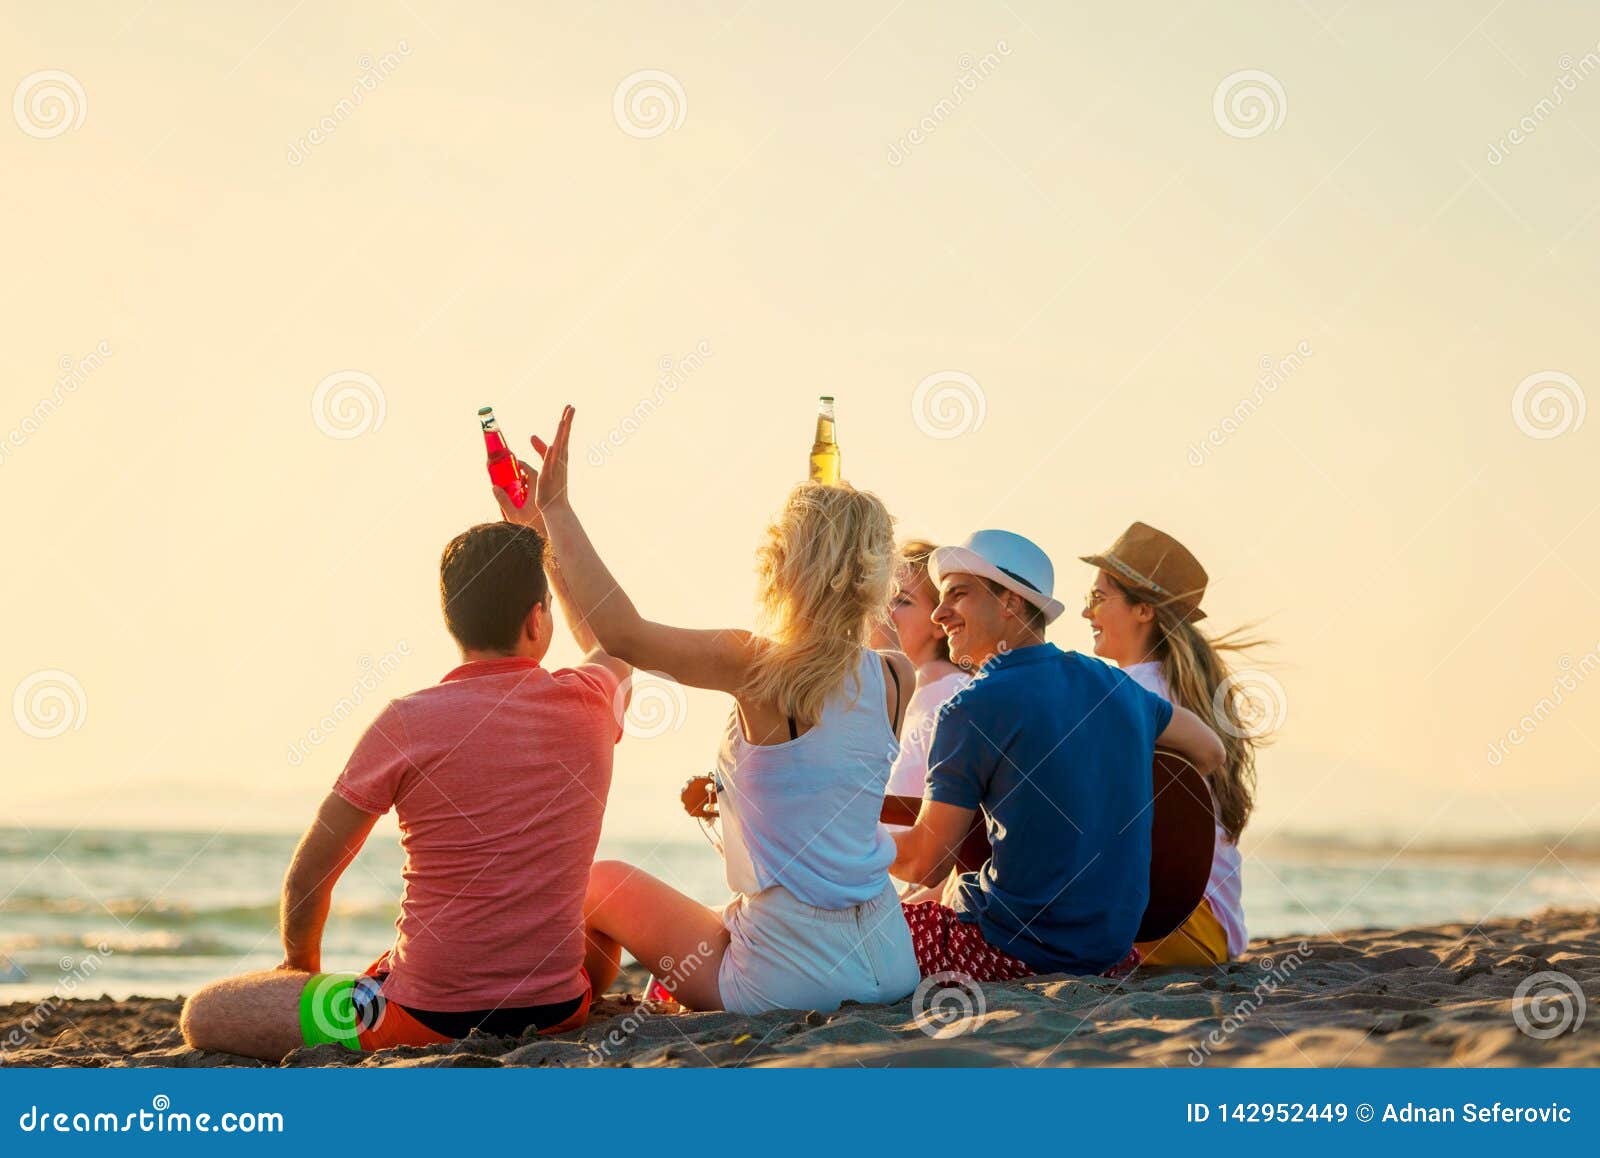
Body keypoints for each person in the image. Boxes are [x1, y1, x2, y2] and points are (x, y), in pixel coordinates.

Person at [180, 517, 629, 1061]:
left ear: (453, 621)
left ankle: (350, 997)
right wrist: (547, 534)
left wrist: (301, 969)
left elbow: (312, 870)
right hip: (558, 1009)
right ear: (537, 620)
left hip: (421, 1019)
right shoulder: (591, 701)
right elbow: (615, 640)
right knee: (600, 918)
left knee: (202, 1011)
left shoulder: (406, 721)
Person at [519, 405, 921, 1015]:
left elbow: (623, 635)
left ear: (781, 563)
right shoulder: (896, 674)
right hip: (892, 963)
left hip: (792, 978)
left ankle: (568, 1008)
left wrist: (556, 512)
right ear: (876, 573)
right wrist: (549, 546)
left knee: (599, 882)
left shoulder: (757, 665)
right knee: (711, 916)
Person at [890, 529, 1226, 982]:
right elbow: (1209, 749)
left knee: (851, 935)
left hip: (1013, 954)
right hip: (1112, 959)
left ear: (1011, 602)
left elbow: (921, 862)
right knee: (957, 888)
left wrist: (846, 838)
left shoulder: (970, 708)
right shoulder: (1116, 687)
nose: (939, 612)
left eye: (959, 595)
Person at [1081, 521, 1266, 965]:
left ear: (1144, 610)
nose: (1087, 613)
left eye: (1098, 598)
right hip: (1213, 931)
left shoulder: (1128, 693)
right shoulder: (1184, 690)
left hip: (1164, 926)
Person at [874, 540, 972, 847]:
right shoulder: (904, 694)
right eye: (881, 597)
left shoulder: (953, 695)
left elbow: (959, 841)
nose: (883, 612)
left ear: (940, 621)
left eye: (902, 601)